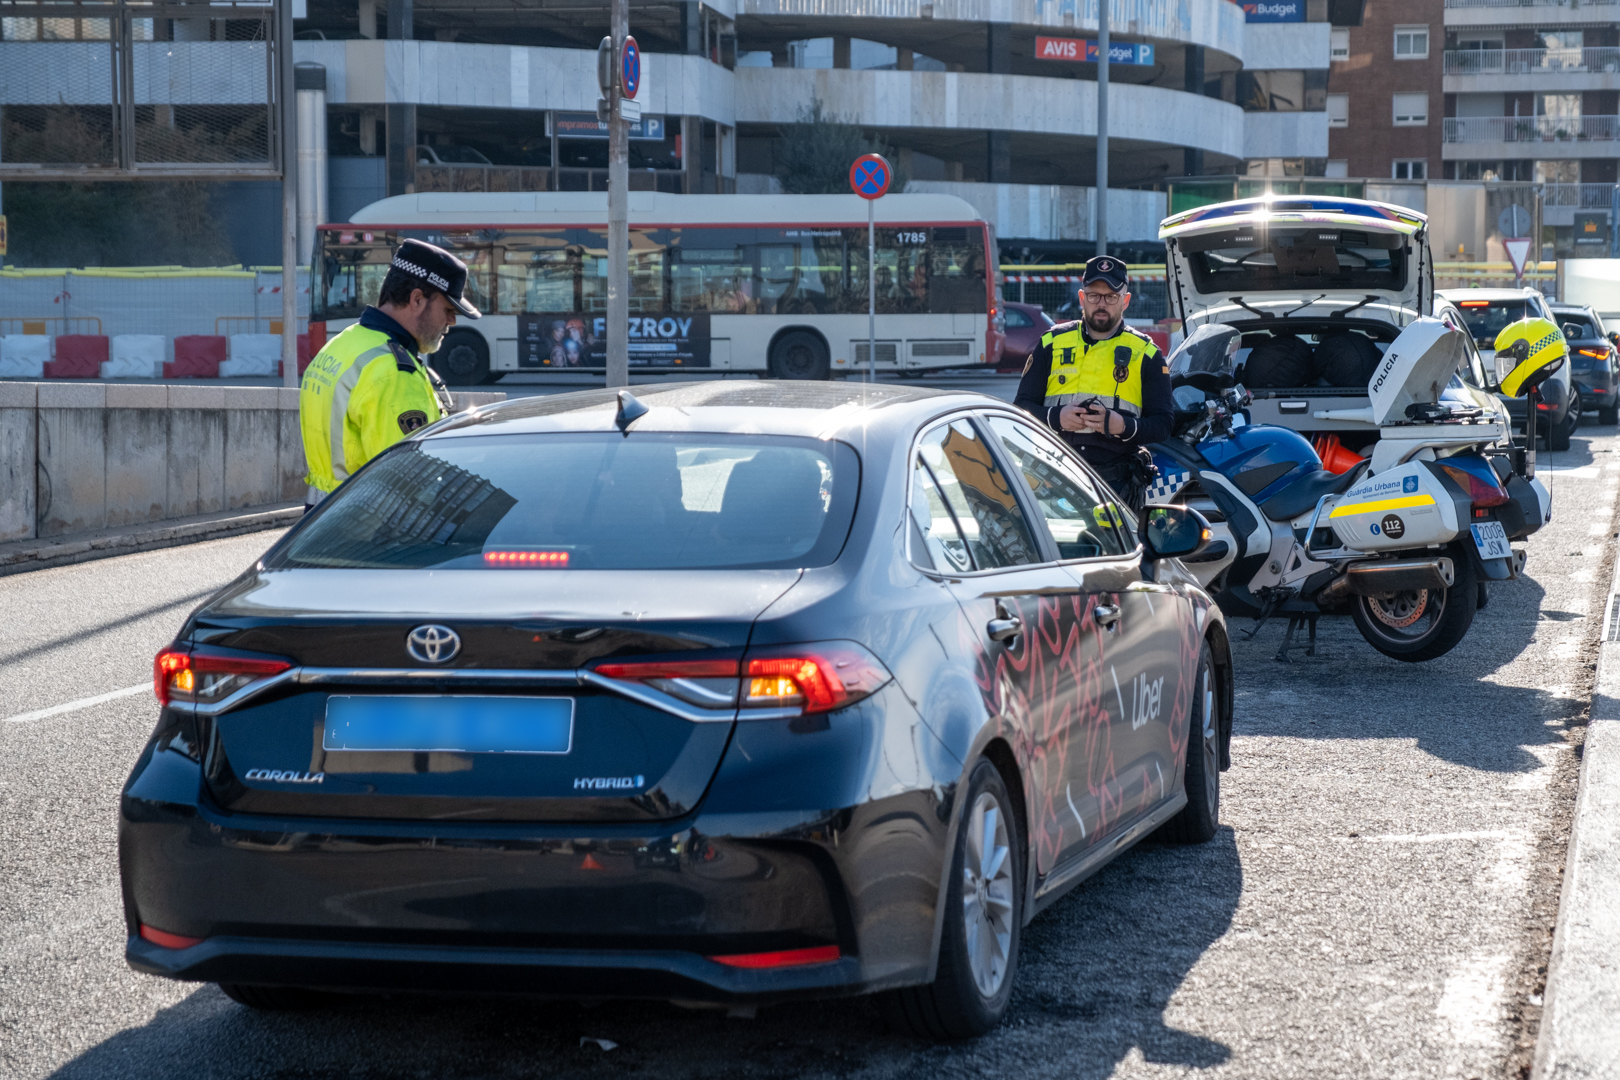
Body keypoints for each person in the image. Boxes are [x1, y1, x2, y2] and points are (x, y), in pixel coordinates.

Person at [299, 238, 481, 511]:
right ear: (417, 299)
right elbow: (409, 487)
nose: (452, 321)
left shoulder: (343, 344)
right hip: (369, 532)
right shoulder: (394, 373)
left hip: (320, 522)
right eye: (448, 309)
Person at [1013, 255, 1173, 513]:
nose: (1101, 304)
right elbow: (1020, 408)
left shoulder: (1147, 354)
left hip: (1115, 485)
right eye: (1094, 296)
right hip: (1052, 479)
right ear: (1081, 298)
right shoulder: (1050, 343)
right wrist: (1057, 418)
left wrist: (1123, 426)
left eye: (1111, 297)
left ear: (1125, 301)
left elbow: (1164, 424)